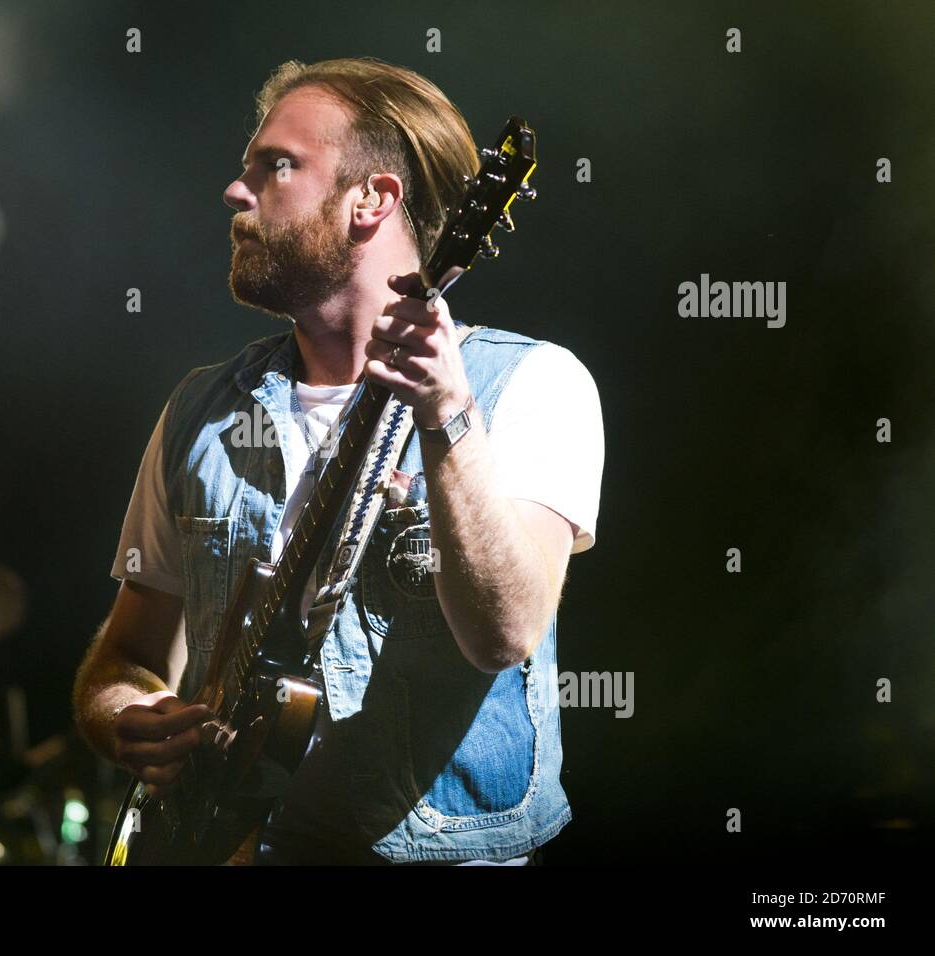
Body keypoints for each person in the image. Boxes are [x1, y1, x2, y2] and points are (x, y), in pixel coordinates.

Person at [73, 57, 604, 865]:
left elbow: (504, 633)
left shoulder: (530, 386)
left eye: (275, 166)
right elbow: (128, 657)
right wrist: (127, 717)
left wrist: (446, 416)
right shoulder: (202, 410)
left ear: (373, 199)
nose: (234, 190)